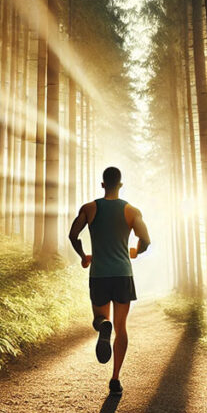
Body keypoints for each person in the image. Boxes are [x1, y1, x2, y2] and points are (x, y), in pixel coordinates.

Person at [68, 166, 150, 396]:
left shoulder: (90, 208)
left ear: (102, 185)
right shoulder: (132, 211)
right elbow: (146, 239)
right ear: (121, 185)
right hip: (123, 275)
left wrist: (84, 256)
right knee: (122, 328)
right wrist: (135, 251)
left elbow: (73, 235)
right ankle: (115, 379)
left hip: (100, 274)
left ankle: (103, 326)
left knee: (100, 318)